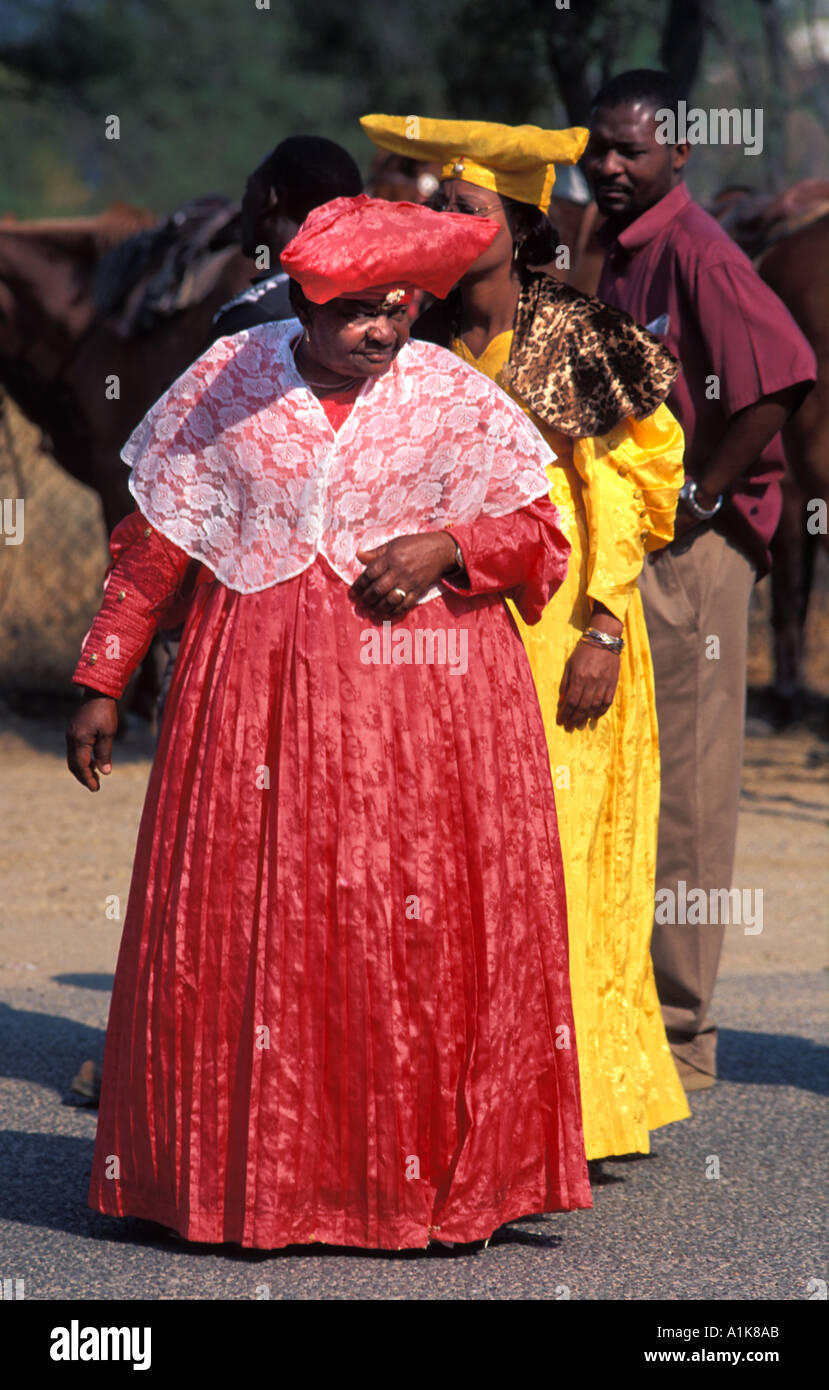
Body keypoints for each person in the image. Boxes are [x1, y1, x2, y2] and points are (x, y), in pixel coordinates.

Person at [65, 195, 592, 1250]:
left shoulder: (447, 392)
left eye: (397, 309)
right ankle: (244, 1182)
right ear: (301, 300)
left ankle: (415, 1187)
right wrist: (103, 676)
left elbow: (541, 535)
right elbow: (157, 541)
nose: (381, 332)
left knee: (404, 935)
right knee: (257, 924)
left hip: (426, 716)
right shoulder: (230, 379)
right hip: (248, 704)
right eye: (355, 312)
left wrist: (447, 543)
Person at [361, 114, 689, 1161]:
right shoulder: (423, 334)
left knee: (560, 860)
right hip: (455, 635)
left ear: (519, 222)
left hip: (562, 636)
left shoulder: (575, 333)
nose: (450, 226)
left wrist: (604, 623)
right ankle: (477, 1094)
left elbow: (636, 487)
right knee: (466, 864)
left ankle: (582, 1105)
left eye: (469, 210)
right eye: (438, 209)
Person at [583, 70, 817, 1089]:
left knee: (685, 789)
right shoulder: (619, 254)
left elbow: (781, 373)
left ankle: (682, 1030)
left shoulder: (697, 254)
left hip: (692, 555)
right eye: (599, 147)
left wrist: (708, 499)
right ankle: (624, 1004)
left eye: (630, 150)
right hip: (636, 540)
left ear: (678, 154)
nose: (608, 166)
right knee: (628, 768)